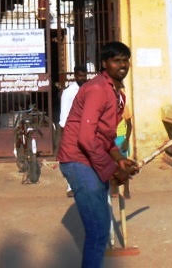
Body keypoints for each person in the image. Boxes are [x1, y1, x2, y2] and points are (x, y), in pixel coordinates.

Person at [57, 42, 138, 267]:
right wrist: (112, 171)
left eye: (125, 60)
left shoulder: (115, 92)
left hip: (90, 159)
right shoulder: (97, 89)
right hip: (78, 160)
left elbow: (105, 136)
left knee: (99, 232)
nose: (122, 65)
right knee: (99, 231)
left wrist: (120, 159)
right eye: (116, 60)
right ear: (104, 64)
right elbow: (86, 138)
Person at [58, 65, 89, 196]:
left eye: (84, 75)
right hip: (72, 129)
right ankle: (71, 186)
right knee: (72, 158)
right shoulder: (69, 92)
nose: (82, 78)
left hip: (87, 128)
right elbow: (64, 113)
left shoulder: (89, 89)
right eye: (80, 75)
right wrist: (65, 130)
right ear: (75, 76)